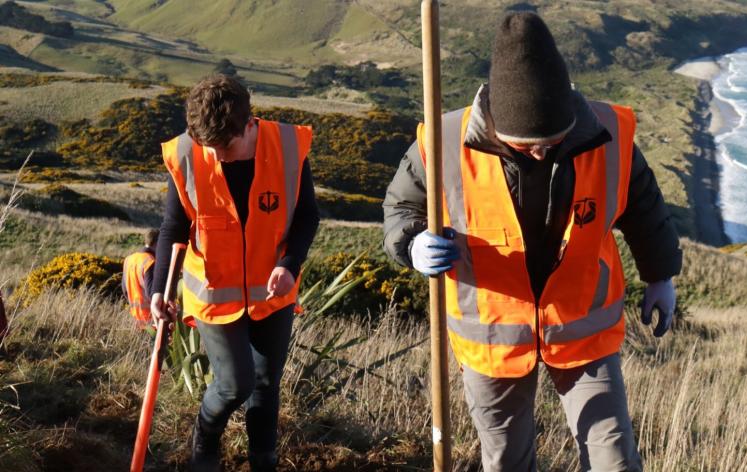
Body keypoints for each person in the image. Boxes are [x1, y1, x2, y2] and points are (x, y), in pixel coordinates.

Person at [383, 12, 683, 471]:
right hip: (491, 338)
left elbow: (643, 205)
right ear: (496, 123)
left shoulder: (608, 134)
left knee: (616, 462)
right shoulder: (442, 143)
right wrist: (411, 245)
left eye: (554, 141)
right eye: (527, 147)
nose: (542, 152)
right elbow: (401, 208)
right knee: (505, 463)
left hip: (583, 326)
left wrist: (660, 274)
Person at [150, 74, 319, 472]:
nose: (218, 156)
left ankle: (264, 461)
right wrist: (160, 289)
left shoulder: (289, 147)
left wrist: (289, 265)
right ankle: (205, 440)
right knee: (234, 384)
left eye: (225, 147)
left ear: (249, 124)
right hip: (213, 293)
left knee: (265, 386)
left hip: (273, 291)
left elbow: (308, 215)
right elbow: (173, 229)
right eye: (210, 147)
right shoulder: (190, 153)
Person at [122, 229, 158, 328]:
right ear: (157, 243)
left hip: (135, 319)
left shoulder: (128, 259)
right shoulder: (150, 261)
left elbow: (125, 290)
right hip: (151, 319)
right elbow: (151, 293)